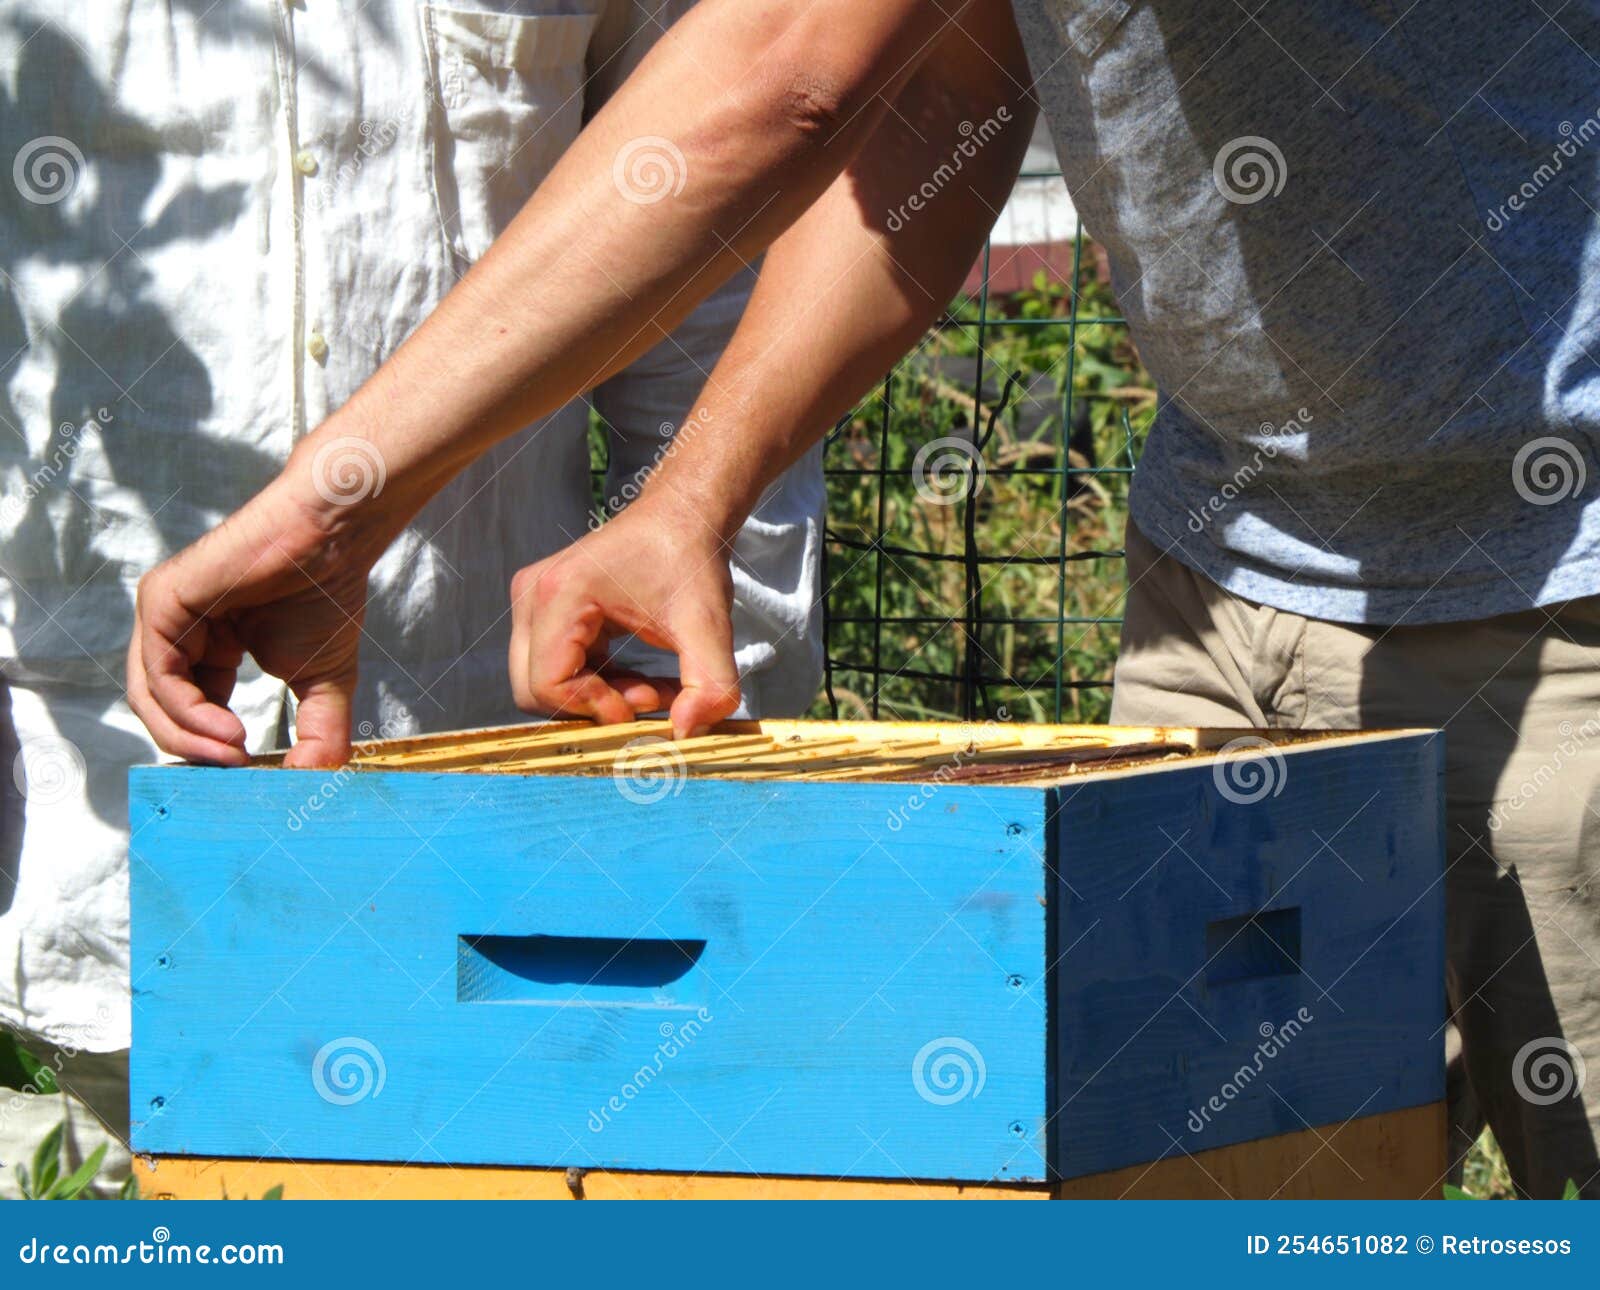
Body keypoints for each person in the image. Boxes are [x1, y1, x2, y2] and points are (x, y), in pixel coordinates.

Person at [129, 0, 1600, 1197]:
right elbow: (945, 96)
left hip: (1562, 591)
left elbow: (781, 69)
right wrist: (688, 497)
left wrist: (333, 507)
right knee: (1210, 1206)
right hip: (1215, 587)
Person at [0, 0, 825, 1191]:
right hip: (94, 827)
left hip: (513, 834)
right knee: (150, 1237)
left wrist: (702, 747)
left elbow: (702, 268)